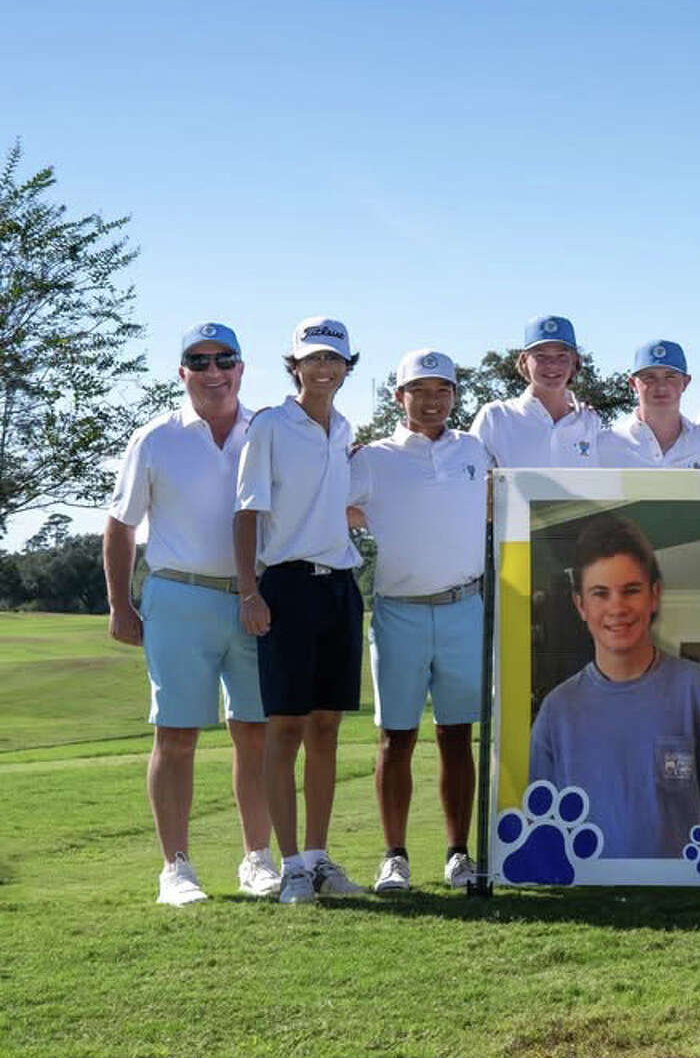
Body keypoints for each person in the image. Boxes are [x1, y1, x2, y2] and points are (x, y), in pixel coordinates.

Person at [105, 322, 278, 904]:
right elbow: (121, 525)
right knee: (176, 735)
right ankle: (175, 869)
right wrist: (120, 603)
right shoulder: (155, 438)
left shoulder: (268, 431)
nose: (212, 372)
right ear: (182, 372)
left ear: (241, 368)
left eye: (223, 359)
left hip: (256, 599)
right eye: (198, 362)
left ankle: (258, 859)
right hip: (179, 595)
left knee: (255, 733)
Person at [234, 316, 367, 903]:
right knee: (284, 726)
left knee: (326, 726)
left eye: (333, 359)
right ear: (295, 365)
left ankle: (317, 858)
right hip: (286, 586)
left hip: (340, 587)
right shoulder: (269, 425)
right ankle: (289, 865)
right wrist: (250, 591)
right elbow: (245, 513)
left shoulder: (344, 429)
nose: (324, 368)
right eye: (313, 358)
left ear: (346, 366)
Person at [348, 350, 490, 892]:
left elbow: (497, 504)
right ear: (399, 397)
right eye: (420, 391)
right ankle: (395, 857)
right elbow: (333, 508)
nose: (432, 402)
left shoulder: (474, 449)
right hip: (399, 612)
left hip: (464, 606)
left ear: (454, 395)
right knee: (396, 738)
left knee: (457, 735)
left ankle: (458, 854)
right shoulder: (372, 458)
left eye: (442, 391)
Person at [528, 515, 700, 858]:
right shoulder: (556, 711)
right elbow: (541, 827)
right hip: (587, 887)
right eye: (600, 594)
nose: (617, 607)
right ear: (580, 605)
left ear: (654, 595)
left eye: (631, 590)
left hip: (681, 885)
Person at [470, 315, 603, 467]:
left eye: (562, 356)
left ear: (575, 361)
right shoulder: (496, 417)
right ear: (524, 361)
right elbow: (469, 475)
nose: (552, 365)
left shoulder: (590, 421)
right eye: (541, 356)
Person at [599, 341, 700, 469]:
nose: (661, 387)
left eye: (670, 377)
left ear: (686, 382)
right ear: (633, 384)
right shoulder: (606, 444)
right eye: (649, 377)